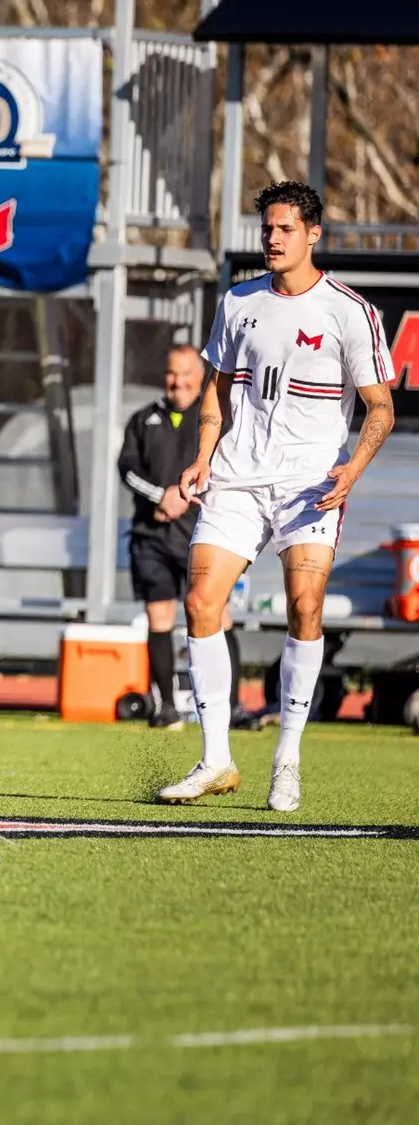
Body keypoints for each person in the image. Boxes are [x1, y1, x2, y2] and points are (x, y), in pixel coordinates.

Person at [158, 181, 395, 812]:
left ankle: (286, 761)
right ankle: (215, 760)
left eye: (284, 229)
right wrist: (202, 459)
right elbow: (216, 391)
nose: (272, 238)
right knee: (201, 599)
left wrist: (353, 471)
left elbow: (380, 409)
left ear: (312, 235)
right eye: (267, 228)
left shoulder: (350, 311)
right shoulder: (238, 303)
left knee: (304, 605)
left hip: (310, 484)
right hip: (237, 477)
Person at [118, 345, 256, 731]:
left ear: (200, 378)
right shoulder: (143, 420)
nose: (177, 382)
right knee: (159, 618)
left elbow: (226, 469)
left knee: (218, 615)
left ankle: (231, 707)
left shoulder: (215, 420)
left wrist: (185, 498)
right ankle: (165, 707)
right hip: (151, 538)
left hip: (204, 534)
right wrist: (162, 496)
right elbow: (126, 470)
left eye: (185, 375)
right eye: (171, 374)